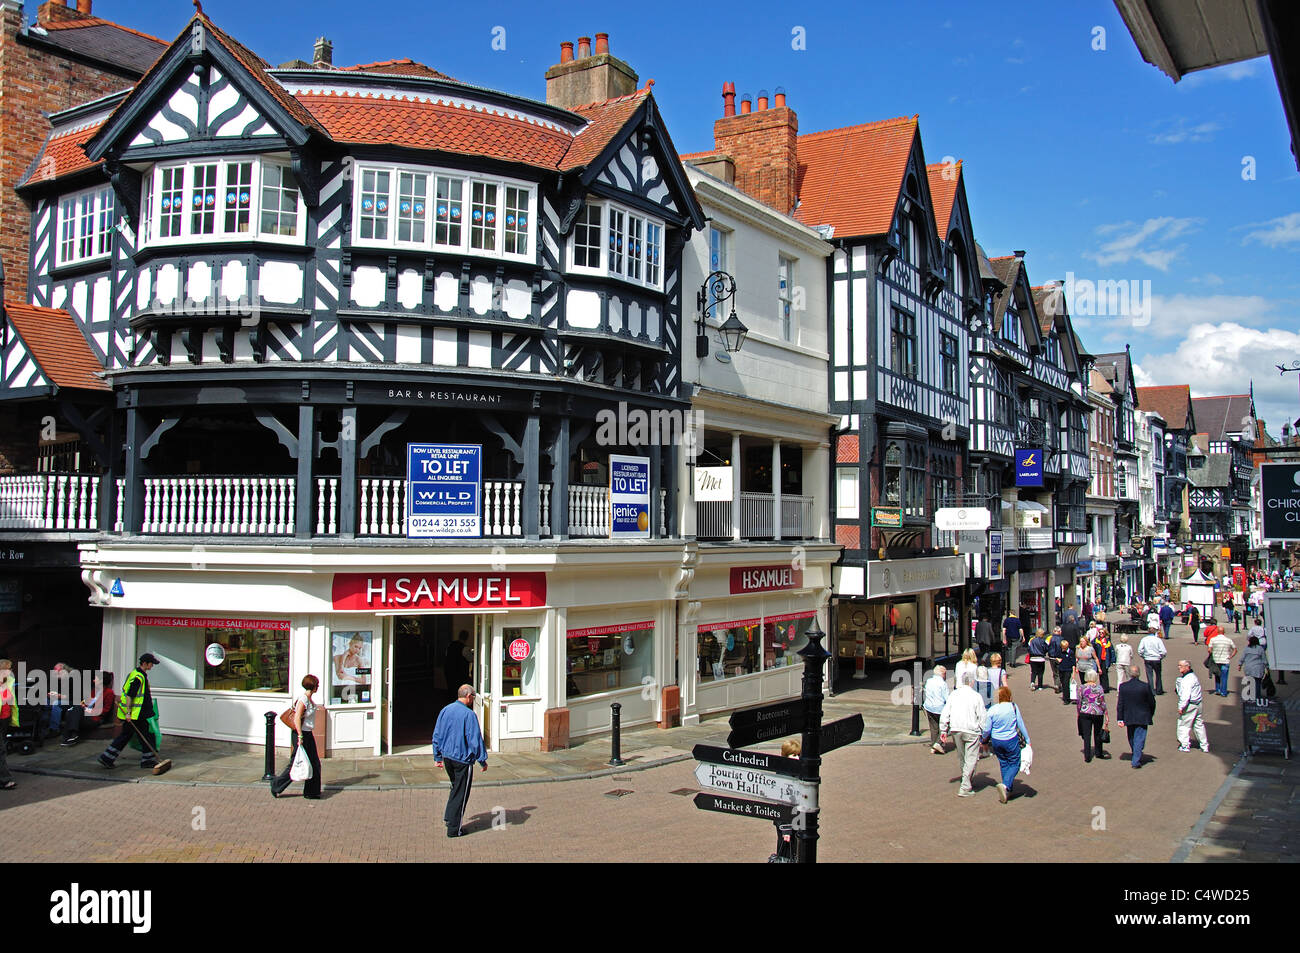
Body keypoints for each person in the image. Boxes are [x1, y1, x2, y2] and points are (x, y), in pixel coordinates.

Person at [433, 684, 488, 837]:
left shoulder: (446, 710)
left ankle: (449, 818)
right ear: (468, 696)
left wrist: (437, 756)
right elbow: (474, 740)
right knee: (461, 793)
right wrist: (482, 760)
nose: (473, 700)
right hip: (462, 759)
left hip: (448, 757)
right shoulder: (469, 715)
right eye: (474, 697)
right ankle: (454, 829)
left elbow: (437, 734)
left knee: (455, 789)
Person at [98, 654, 162, 770]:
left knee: (128, 735)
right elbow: (129, 695)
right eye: (151, 663)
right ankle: (147, 760)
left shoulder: (138, 674)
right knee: (146, 735)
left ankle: (107, 757)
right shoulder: (138, 677)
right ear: (145, 663)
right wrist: (128, 713)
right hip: (136, 715)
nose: (152, 666)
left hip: (138, 714)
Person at [270, 674, 321, 799]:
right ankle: (276, 785)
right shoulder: (303, 700)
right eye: (317, 685)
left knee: (314, 763)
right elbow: (297, 718)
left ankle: (311, 792)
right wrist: (300, 735)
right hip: (302, 734)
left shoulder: (310, 699)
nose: (318, 687)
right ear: (313, 686)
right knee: (296, 762)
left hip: (308, 733)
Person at [939, 672, 988, 797]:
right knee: (971, 758)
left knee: (962, 757)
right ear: (972, 682)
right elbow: (982, 716)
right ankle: (965, 786)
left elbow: (945, 712)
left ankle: (967, 780)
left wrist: (943, 729)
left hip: (956, 729)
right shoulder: (976, 696)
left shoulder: (953, 694)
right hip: (971, 730)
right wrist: (983, 731)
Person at [980, 685, 1030, 804]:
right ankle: (1006, 785)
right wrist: (1028, 739)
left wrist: (984, 739)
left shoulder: (992, 709)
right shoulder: (1013, 707)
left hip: (997, 740)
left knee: (1003, 762)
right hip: (1010, 739)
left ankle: (1008, 789)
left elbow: (987, 729)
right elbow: (1020, 723)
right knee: (1015, 763)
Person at [1116, 664, 1156, 768]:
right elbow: (1152, 702)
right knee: (1139, 738)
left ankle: (1136, 756)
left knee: (1132, 737)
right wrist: (1151, 713)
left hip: (1129, 716)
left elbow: (1120, 703)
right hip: (1142, 716)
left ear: (1129, 674)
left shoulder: (1123, 687)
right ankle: (1136, 755)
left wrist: (1120, 718)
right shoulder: (1145, 686)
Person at [59, 672, 115, 746]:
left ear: (101, 681)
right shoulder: (95, 690)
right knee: (73, 709)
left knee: (76, 709)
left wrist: (88, 710)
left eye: (96, 679)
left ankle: (70, 735)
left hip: (96, 718)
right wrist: (83, 705)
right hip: (86, 714)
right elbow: (87, 702)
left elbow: (105, 710)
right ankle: (72, 735)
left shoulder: (109, 693)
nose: (94, 680)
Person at [1175, 659, 1209, 753]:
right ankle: (1204, 745)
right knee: (1198, 725)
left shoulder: (1187, 680)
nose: (1179, 667)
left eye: (1181, 666)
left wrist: (1181, 707)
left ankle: (1185, 745)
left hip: (1190, 705)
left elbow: (1185, 695)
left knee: (1183, 725)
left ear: (1187, 667)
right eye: (1179, 665)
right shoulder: (1193, 677)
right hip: (1198, 704)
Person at [1076, 671, 1109, 762]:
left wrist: (1079, 712)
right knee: (1097, 733)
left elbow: (1079, 701)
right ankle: (1098, 753)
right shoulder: (1099, 688)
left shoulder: (1082, 688)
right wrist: (1106, 714)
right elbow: (1102, 702)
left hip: (1085, 712)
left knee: (1087, 735)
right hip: (1098, 712)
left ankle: (1087, 756)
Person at [922, 666, 949, 754]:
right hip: (940, 708)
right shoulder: (943, 683)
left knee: (934, 727)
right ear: (942, 674)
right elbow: (947, 697)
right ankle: (938, 743)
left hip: (929, 707)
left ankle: (934, 745)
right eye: (945, 674)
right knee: (945, 726)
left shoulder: (929, 681)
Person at [1207, 626, 1237, 697]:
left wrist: (1212, 653)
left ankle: (1218, 689)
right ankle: (1223, 692)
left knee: (1217, 675)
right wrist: (1230, 656)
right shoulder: (1228, 640)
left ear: (1217, 632)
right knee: (1224, 677)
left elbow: (1209, 649)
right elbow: (1235, 649)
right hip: (1225, 660)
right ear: (1224, 632)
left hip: (1216, 660)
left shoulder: (1213, 639)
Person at [0, 659, 16, 790]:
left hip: (5, 718)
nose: (11, 671)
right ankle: (5, 780)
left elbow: (10, 699)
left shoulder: (9, 681)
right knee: (1, 749)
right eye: (9, 668)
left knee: (2, 747)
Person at [1239, 636, 1268, 702]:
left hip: (1249, 668)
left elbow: (1242, 658)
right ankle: (1257, 698)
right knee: (1257, 683)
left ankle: (1251, 697)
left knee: (1251, 683)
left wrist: (1240, 664)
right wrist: (1267, 666)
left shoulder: (1247, 649)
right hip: (1258, 668)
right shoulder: (1260, 649)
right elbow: (1264, 659)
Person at [1138, 629, 1167, 695]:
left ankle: (1151, 691)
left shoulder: (1144, 639)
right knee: (1158, 675)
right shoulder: (1158, 640)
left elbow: (1140, 650)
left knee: (1149, 675)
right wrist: (1161, 657)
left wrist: (1143, 656)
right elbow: (1163, 651)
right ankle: (1159, 690)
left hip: (1148, 659)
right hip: (1156, 659)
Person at [1058, 636, 1077, 706]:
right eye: (1062, 647)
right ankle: (1065, 696)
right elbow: (1057, 657)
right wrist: (1058, 659)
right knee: (1063, 683)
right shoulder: (1060, 651)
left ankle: (1067, 699)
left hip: (1068, 670)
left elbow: (1073, 663)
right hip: (1061, 669)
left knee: (1066, 683)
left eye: (1064, 648)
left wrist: (1074, 672)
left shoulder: (1071, 652)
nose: (1062, 649)